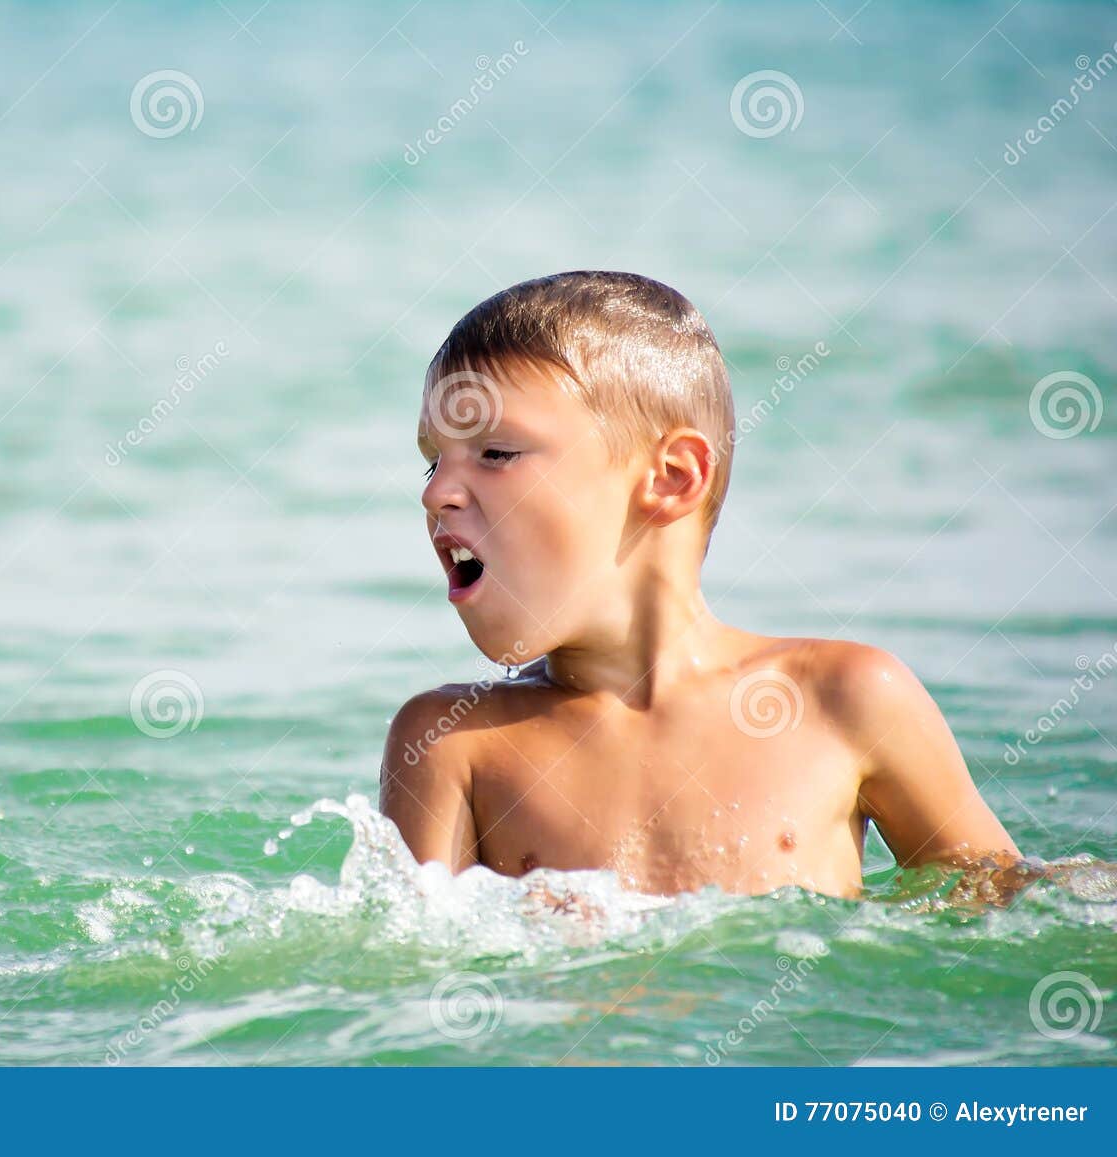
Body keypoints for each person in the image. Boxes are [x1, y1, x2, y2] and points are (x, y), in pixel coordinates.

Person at [380, 271, 1021, 898]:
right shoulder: (451, 746)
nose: (436, 492)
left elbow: (1009, 913)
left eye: (495, 453)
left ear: (672, 478)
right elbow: (418, 977)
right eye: (433, 461)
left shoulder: (845, 699)